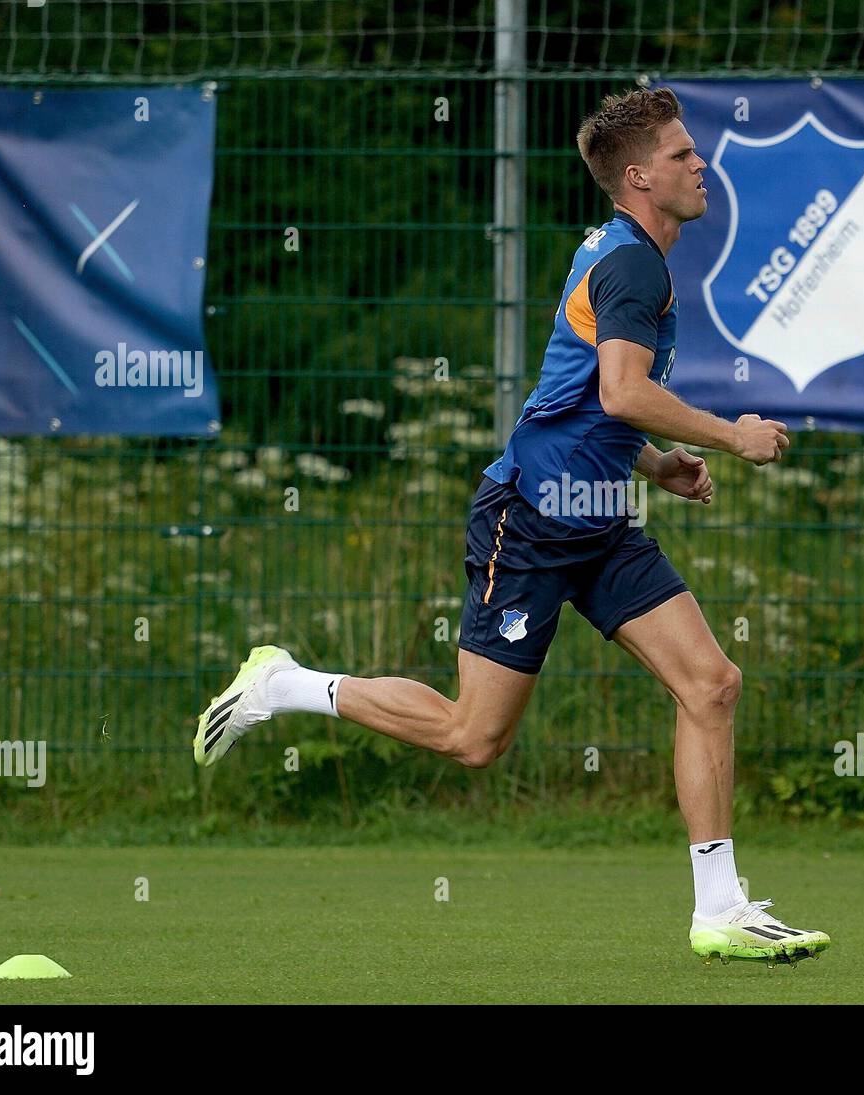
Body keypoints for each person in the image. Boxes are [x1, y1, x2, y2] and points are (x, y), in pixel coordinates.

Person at [193, 85, 829, 967]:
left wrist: (652, 464)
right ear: (640, 176)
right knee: (474, 737)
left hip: (599, 517)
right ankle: (289, 683)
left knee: (712, 683)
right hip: (528, 522)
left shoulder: (628, 254)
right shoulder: (631, 263)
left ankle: (720, 907)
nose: (701, 164)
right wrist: (732, 435)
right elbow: (618, 392)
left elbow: (572, 396)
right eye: (684, 155)